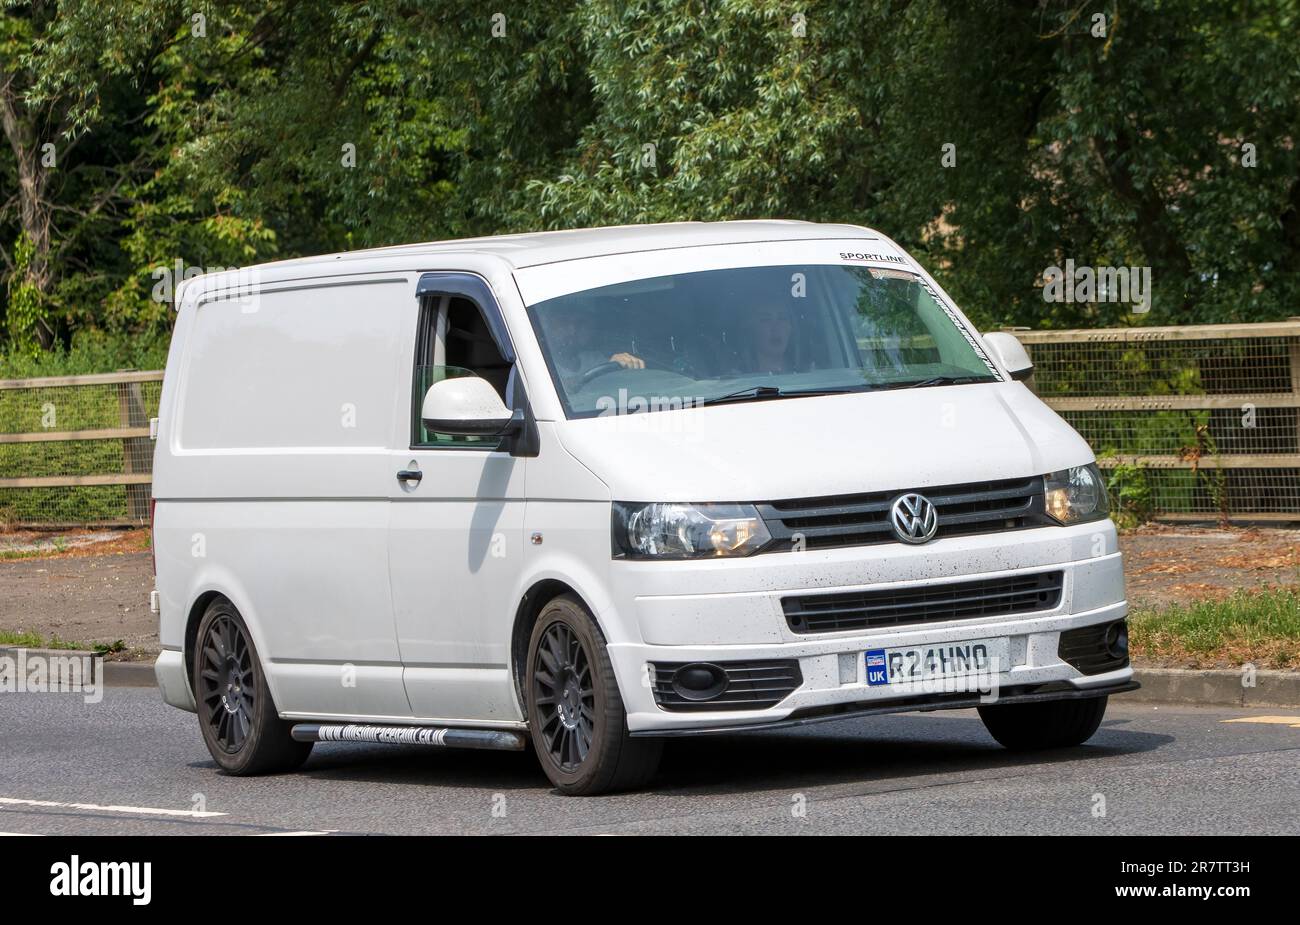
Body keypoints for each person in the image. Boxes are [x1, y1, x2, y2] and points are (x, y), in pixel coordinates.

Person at [545, 301, 644, 390]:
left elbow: (617, 383)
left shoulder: (593, 359)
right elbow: (552, 392)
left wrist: (622, 363)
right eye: (563, 321)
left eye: (581, 322)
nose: (572, 330)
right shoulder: (540, 362)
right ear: (549, 326)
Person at [733, 300, 797, 375]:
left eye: (782, 318)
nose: (776, 327)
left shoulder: (809, 374)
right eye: (766, 320)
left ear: (791, 328)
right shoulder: (737, 380)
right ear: (751, 329)